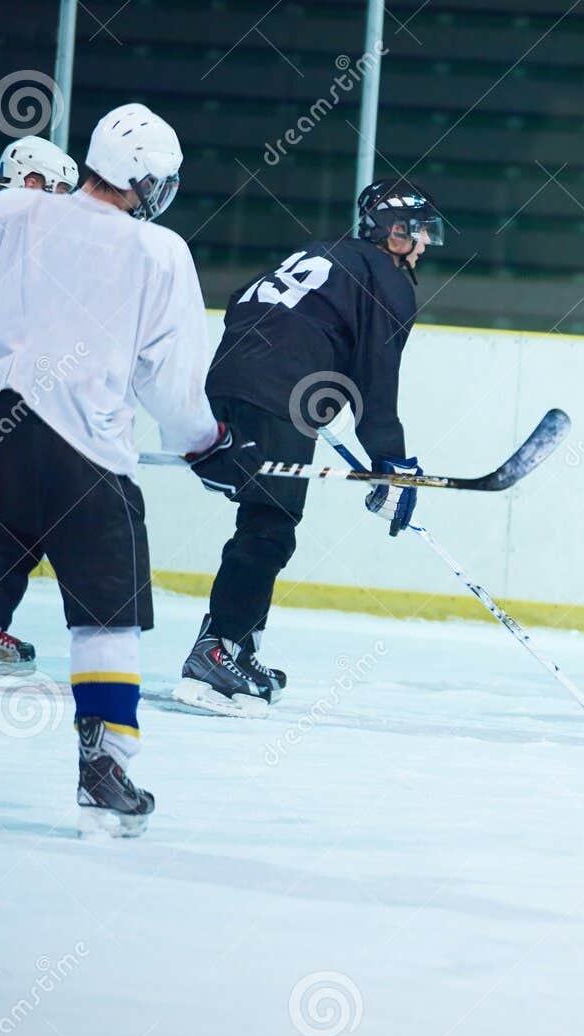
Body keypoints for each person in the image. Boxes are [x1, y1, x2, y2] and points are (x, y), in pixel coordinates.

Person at [0, 103, 263, 836]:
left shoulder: (10, 211)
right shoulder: (158, 252)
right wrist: (207, 444)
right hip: (89, 462)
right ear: (145, 181)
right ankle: (105, 770)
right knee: (107, 621)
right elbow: (170, 386)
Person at [175, 178, 442, 717]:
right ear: (394, 233)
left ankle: (237, 645)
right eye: (419, 232)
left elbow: (244, 303)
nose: (426, 244)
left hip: (229, 380)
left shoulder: (322, 254)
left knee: (261, 517)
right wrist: (391, 462)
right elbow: (375, 378)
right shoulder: (387, 280)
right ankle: (218, 649)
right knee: (270, 525)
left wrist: (304, 394)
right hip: (274, 391)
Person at [0, 135, 80, 675]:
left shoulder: (10, 219)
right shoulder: (11, 209)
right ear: (31, 181)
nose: (63, 200)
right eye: (56, 187)